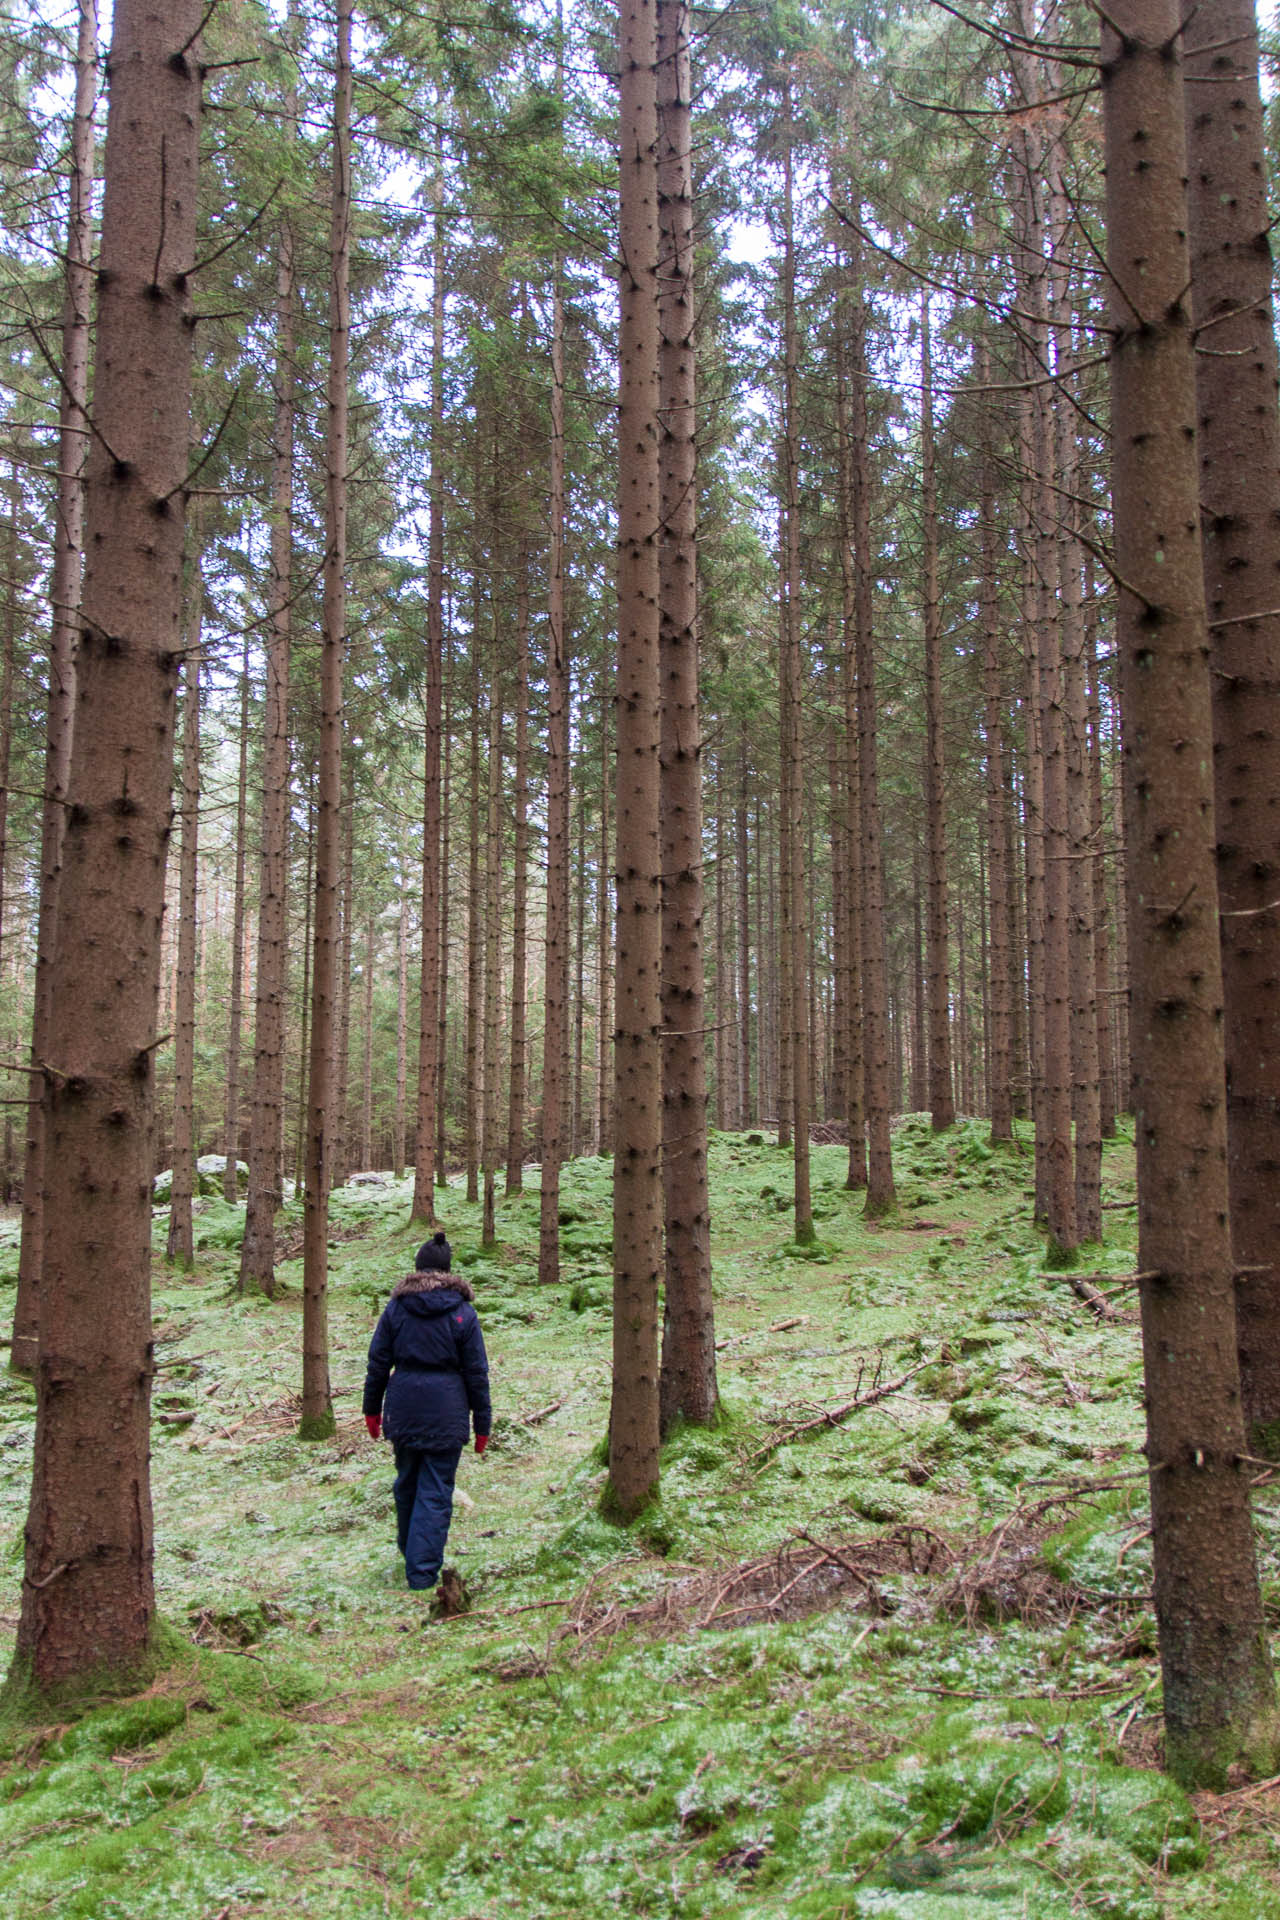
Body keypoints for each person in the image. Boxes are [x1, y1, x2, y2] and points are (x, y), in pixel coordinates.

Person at [362, 1230, 491, 1592]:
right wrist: (483, 1424)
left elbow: (377, 1363)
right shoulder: (463, 1313)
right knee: (434, 1490)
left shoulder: (397, 1308)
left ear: (417, 1268)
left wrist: (371, 1410)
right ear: (448, 1271)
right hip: (446, 1411)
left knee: (407, 1483)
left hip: (403, 1408)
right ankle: (421, 1572)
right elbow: (477, 1373)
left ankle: (413, 1556)